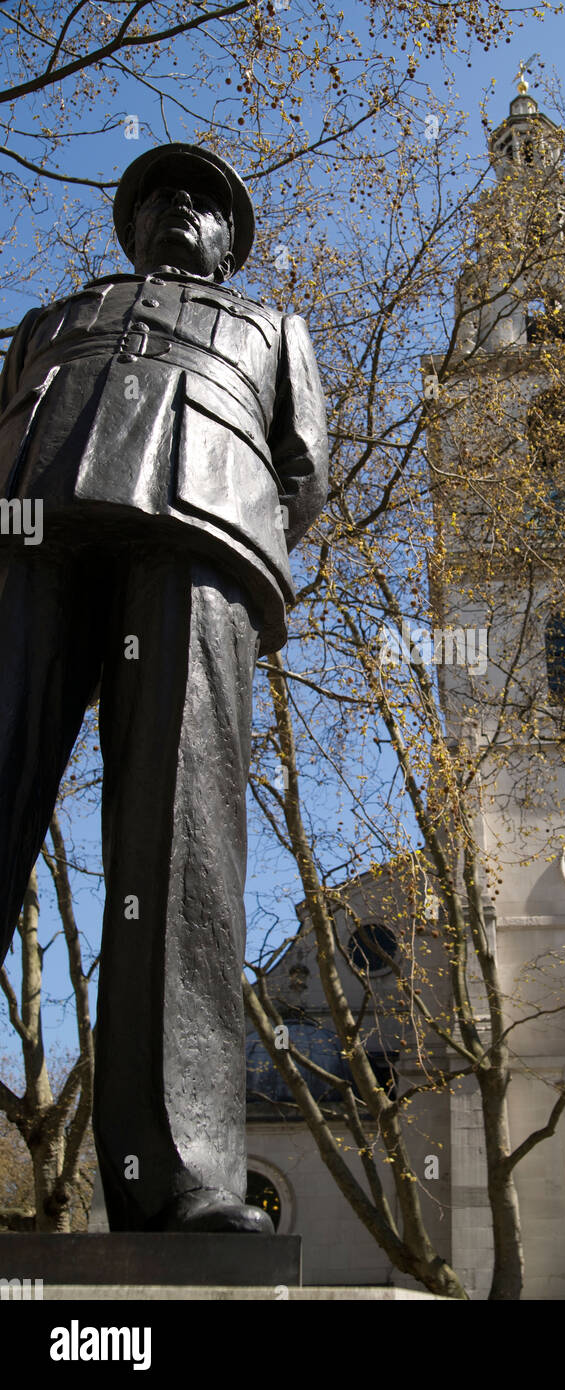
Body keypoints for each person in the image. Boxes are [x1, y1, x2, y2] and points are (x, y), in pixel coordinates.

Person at [0, 143, 328, 1232]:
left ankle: (174, 1171)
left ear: (232, 241)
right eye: (160, 197)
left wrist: (232, 528)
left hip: (197, 530)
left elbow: (300, 468)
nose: (181, 209)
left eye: (204, 202)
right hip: (29, 526)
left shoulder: (273, 328)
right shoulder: (50, 318)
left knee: (179, 839)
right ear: (131, 227)